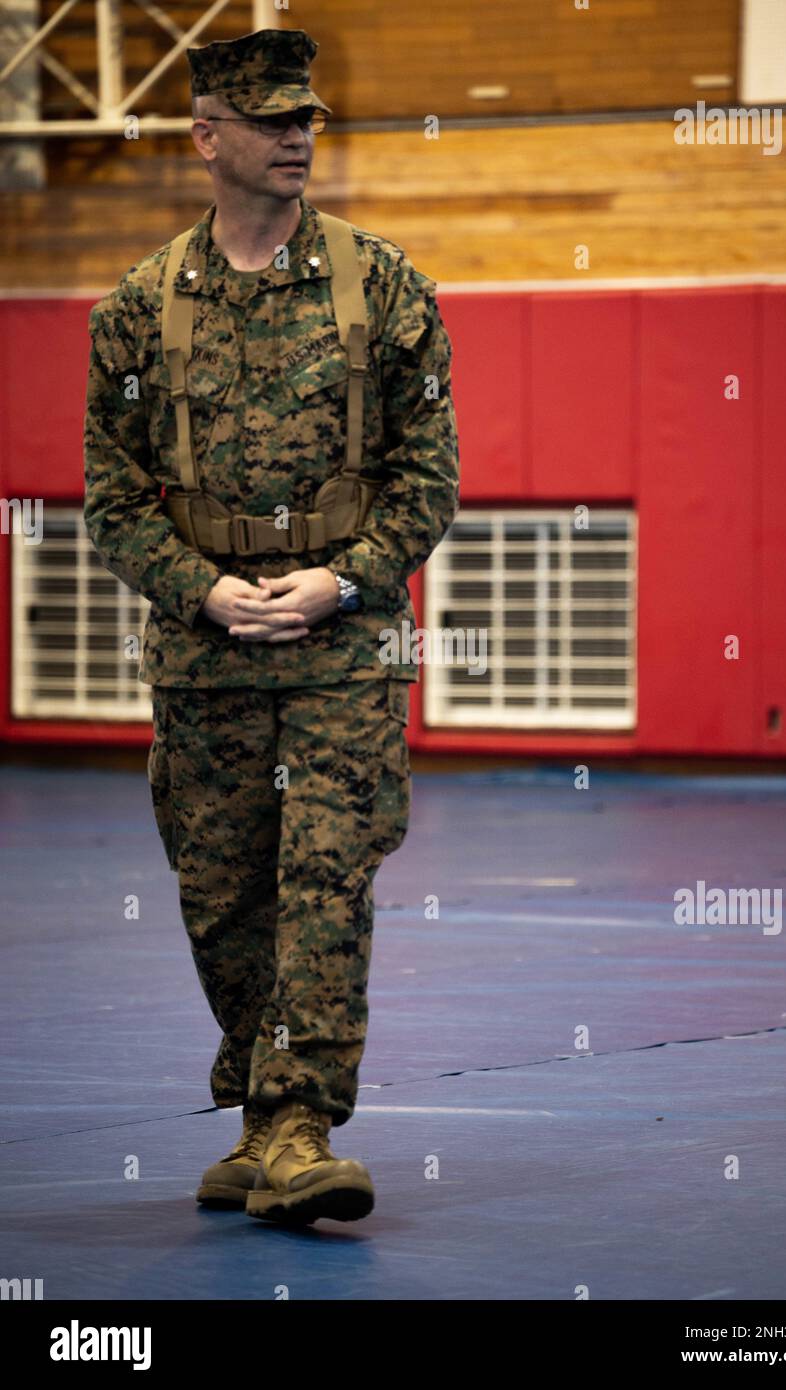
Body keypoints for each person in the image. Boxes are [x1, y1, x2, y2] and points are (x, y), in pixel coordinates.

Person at [82, 27, 460, 1227]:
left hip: (339, 649)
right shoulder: (137, 311)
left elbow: (427, 477)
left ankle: (299, 1121)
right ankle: (258, 1111)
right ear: (208, 138)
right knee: (221, 894)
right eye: (273, 119)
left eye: (308, 118)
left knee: (321, 880)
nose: (300, 136)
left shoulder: (384, 286)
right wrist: (197, 588)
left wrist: (343, 581)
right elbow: (113, 494)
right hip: (203, 656)